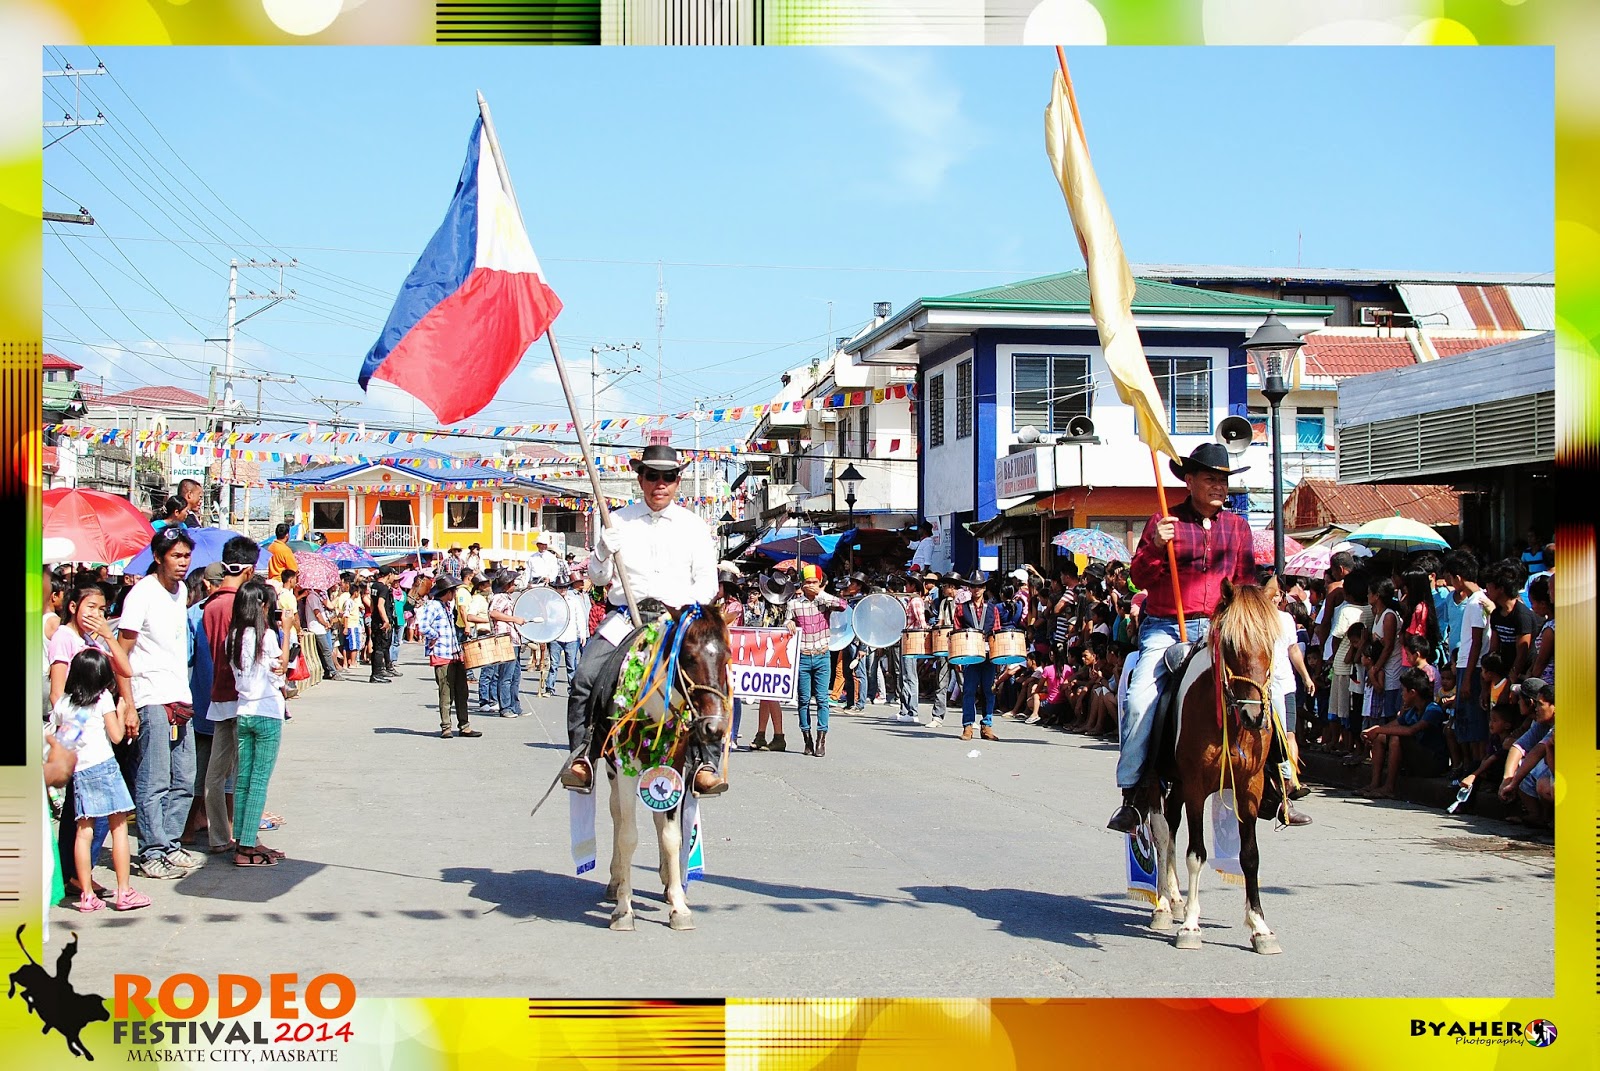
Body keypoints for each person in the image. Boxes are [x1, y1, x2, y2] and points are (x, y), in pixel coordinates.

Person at [1108, 443, 1256, 833]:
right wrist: (1156, 545)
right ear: (1189, 481)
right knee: (1139, 699)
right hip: (1167, 626)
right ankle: (1134, 791)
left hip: (1221, 628)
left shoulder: (1238, 528)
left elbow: (1246, 584)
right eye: (1210, 478)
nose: (1219, 486)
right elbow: (1138, 579)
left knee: (1267, 683)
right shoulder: (1165, 520)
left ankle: (1279, 778)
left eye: (1224, 480)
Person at [560, 445, 721, 794]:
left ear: (678, 481)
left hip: (677, 621)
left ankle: (707, 762)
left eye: (668, 477)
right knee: (585, 676)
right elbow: (599, 579)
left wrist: (681, 610)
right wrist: (602, 550)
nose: (659, 484)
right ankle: (581, 755)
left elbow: (708, 582)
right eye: (652, 476)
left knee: (708, 678)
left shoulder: (694, 526)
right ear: (640, 478)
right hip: (626, 619)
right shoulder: (616, 520)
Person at [117, 526, 201, 881]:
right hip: (150, 695)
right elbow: (122, 650)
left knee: (185, 778)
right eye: (176, 556)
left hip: (180, 695)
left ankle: (168, 843)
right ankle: (151, 850)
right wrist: (127, 701)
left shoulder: (180, 591)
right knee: (154, 780)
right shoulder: (141, 594)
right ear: (158, 557)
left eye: (186, 556)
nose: (183, 563)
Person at [48, 579, 137, 899]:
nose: (96, 614)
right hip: (82, 742)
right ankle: (73, 877)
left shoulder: (92, 638)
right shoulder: (64, 637)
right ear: (72, 607)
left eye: (101, 609)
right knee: (82, 816)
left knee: (89, 817)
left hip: (93, 738)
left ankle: (77, 879)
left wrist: (109, 637)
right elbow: (59, 694)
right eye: (90, 607)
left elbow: (124, 669)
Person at [53, 648, 152, 912]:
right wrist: (121, 709)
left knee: (83, 833)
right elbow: (118, 736)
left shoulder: (64, 702)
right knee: (118, 828)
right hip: (105, 768)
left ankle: (86, 895)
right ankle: (124, 892)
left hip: (80, 771)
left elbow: (63, 737)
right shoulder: (103, 699)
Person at [200, 537, 258, 857]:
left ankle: (220, 836)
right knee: (247, 770)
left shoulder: (209, 605)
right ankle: (244, 836)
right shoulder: (241, 603)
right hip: (243, 695)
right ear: (248, 570)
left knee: (217, 772)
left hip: (220, 694)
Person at [226, 579, 288, 867]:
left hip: (244, 711)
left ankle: (242, 838)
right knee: (259, 780)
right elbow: (282, 667)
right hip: (266, 711)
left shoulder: (234, 636)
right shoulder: (266, 637)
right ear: (262, 605)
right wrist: (286, 631)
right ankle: (248, 844)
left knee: (243, 780)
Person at [784, 562, 848, 757]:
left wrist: (820, 593)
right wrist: (789, 623)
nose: (811, 585)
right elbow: (787, 620)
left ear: (821, 583)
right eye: (808, 582)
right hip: (803, 656)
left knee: (822, 699)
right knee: (803, 700)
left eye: (815, 582)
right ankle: (807, 738)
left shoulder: (824, 601)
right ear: (802, 584)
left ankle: (821, 739)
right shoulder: (794, 604)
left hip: (822, 655)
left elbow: (843, 606)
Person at [1362, 666, 1449, 797]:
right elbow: (1392, 726)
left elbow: (1411, 731)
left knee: (1396, 738)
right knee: (1381, 737)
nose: (1402, 694)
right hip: (1416, 760)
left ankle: (1389, 788)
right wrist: (1373, 731)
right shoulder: (1412, 711)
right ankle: (1375, 783)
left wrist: (1378, 729)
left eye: (1403, 690)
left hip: (1431, 762)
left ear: (1413, 692)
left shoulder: (1433, 709)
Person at [418, 578, 480, 739]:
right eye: (453, 591)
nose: (455, 593)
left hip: (454, 653)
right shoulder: (433, 606)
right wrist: (434, 636)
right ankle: (446, 726)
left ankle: (464, 725)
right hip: (441, 654)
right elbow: (423, 626)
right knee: (446, 692)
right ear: (447, 592)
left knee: (462, 691)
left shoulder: (447, 606)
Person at [954, 571, 1005, 742]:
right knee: (968, 690)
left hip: (989, 654)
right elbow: (957, 633)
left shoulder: (993, 609)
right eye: (974, 586)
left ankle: (987, 725)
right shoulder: (961, 608)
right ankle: (968, 725)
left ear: (984, 588)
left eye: (980, 586)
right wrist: (957, 659)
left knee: (989, 691)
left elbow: (996, 633)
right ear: (969, 588)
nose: (976, 589)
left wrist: (998, 658)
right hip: (969, 654)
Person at [485, 572, 526, 718]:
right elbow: (493, 613)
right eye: (513, 583)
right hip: (505, 639)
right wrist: (514, 619)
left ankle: (515, 706)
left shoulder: (508, 598)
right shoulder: (499, 597)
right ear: (507, 585)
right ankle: (505, 708)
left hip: (513, 640)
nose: (514, 586)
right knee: (506, 676)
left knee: (515, 675)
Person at [368, 566, 398, 684]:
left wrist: (373, 615)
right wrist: (386, 620)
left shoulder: (374, 586)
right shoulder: (384, 588)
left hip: (375, 619)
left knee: (377, 647)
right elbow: (380, 605)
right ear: (389, 575)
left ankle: (377, 672)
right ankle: (377, 673)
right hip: (381, 621)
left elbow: (372, 603)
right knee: (380, 647)